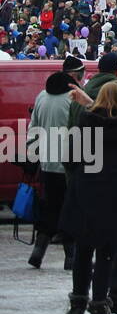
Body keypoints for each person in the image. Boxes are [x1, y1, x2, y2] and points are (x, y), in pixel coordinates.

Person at [60, 80, 117, 314]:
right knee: (106, 254)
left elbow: (71, 158)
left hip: (87, 193)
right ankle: (98, 306)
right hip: (116, 197)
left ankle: (77, 305)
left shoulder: (87, 124)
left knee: (83, 251)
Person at [26, 69, 77, 269]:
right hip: (68, 165)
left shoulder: (41, 97)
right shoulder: (73, 99)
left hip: (47, 164)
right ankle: (71, 258)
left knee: (50, 208)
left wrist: (33, 153)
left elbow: (33, 128)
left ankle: (38, 252)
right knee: (70, 209)